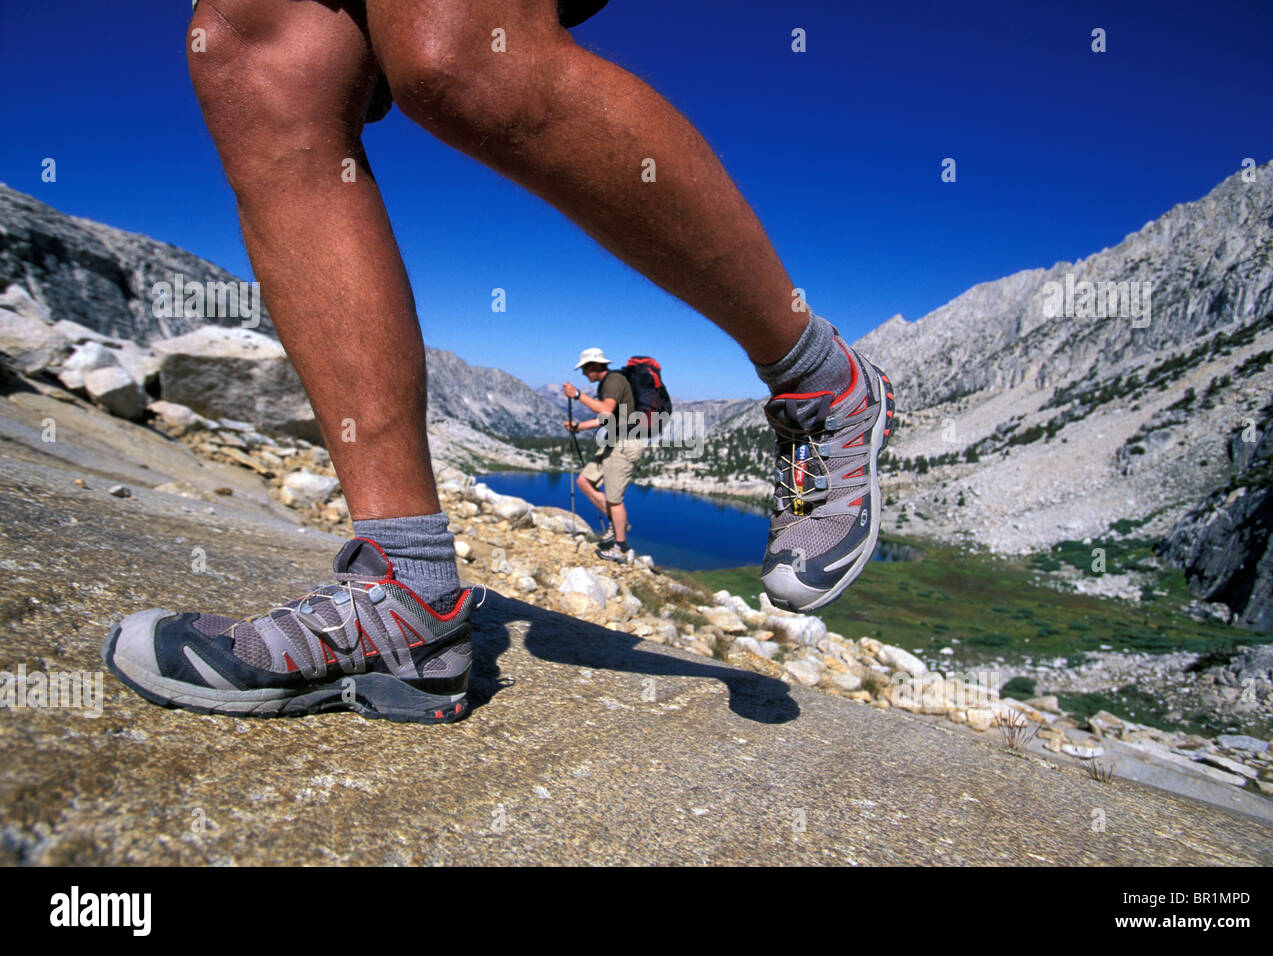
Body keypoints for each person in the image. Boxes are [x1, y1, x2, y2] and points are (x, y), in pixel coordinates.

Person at [102, 0, 894, 724]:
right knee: (252, 54)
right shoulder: (607, 379)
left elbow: (612, 413)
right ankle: (403, 587)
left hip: (633, 442)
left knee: (456, 55)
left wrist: (581, 406)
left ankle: (818, 376)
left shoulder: (613, 384)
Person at [564, 348, 642, 563]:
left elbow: (605, 412)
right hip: (613, 441)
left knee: (614, 499)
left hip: (625, 444)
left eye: (585, 369)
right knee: (584, 481)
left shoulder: (614, 380)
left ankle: (621, 548)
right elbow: (607, 419)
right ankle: (617, 524)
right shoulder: (606, 384)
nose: (583, 374)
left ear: (595, 365)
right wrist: (579, 427)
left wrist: (578, 395)